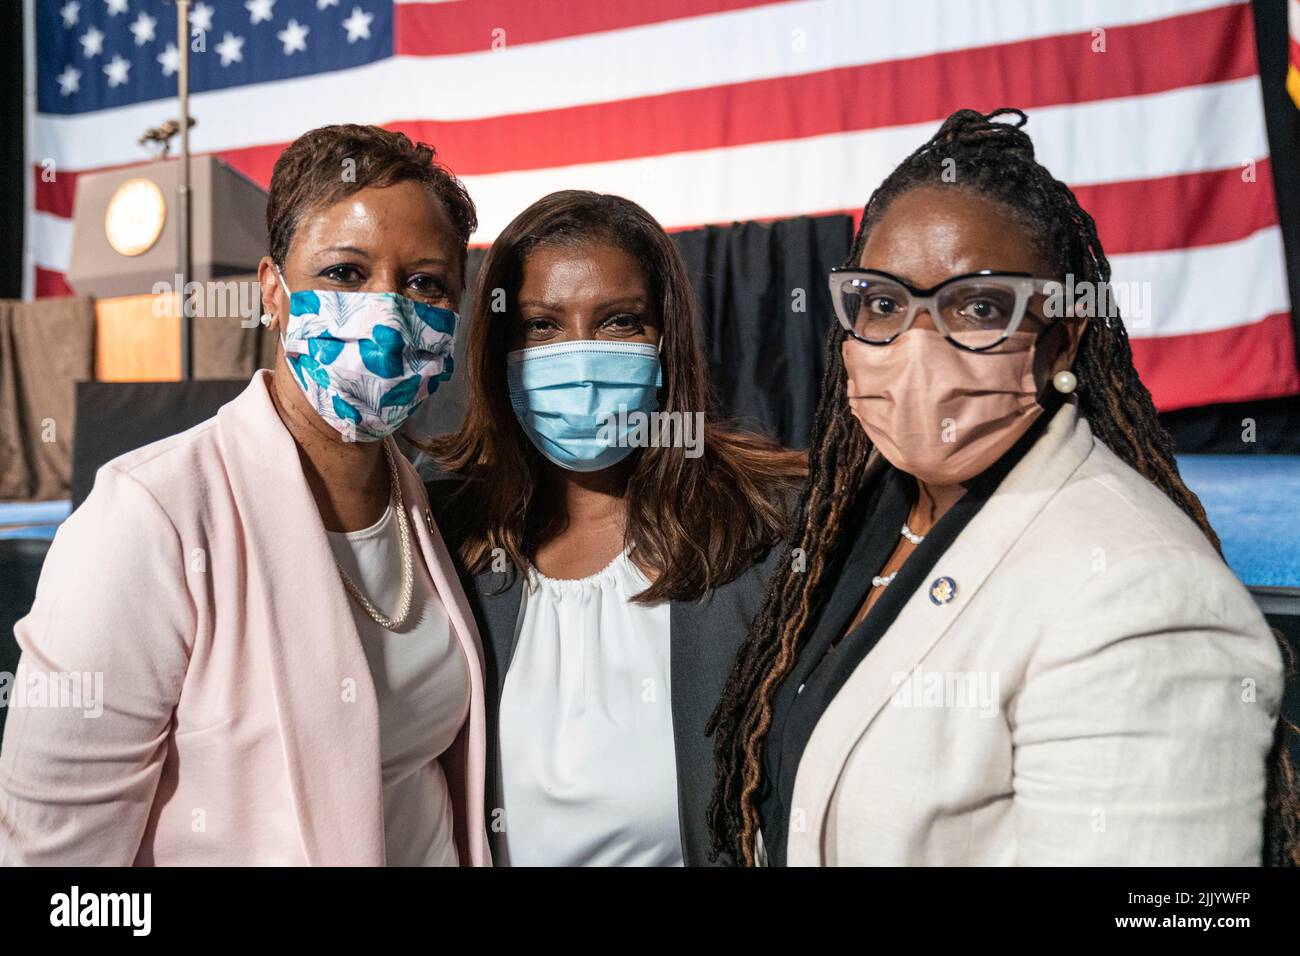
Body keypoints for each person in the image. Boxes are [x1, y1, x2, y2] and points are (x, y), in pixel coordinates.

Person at [708, 108, 1293, 866]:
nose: (918, 349)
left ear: (1061, 338)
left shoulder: (1143, 591)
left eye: (978, 307)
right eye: (883, 304)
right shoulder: (854, 528)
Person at [0, 125, 490, 866]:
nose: (387, 317)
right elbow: (57, 864)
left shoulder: (423, 507)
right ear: (272, 292)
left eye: (425, 283)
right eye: (346, 273)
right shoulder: (148, 516)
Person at [421, 190, 805, 866]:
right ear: (497, 350)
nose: (581, 359)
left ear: (667, 342)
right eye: (541, 326)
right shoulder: (444, 536)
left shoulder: (767, 527)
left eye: (620, 321)